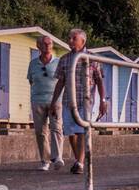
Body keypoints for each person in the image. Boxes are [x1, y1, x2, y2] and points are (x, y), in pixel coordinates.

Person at [49, 28, 108, 174]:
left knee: (82, 131)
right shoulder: (64, 59)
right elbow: (60, 82)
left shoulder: (93, 59)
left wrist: (103, 100)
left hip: (86, 100)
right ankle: (79, 160)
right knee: (71, 133)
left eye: (73, 38)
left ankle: (80, 163)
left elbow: (99, 81)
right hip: (69, 100)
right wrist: (53, 102)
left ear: (83, 41)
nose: (70, 41)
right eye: (69, 38)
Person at [27, 34, 64, 170]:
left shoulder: (58, 62)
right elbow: (31, 81)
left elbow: (62, 81)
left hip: (55, 100)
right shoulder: (33, 64)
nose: (48, 46)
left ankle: (58, 156)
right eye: (45, 44)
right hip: (37, 100)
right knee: (40, 131)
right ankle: (45, 160)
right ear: (38, 46)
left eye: (50, 44)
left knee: (56, 128)